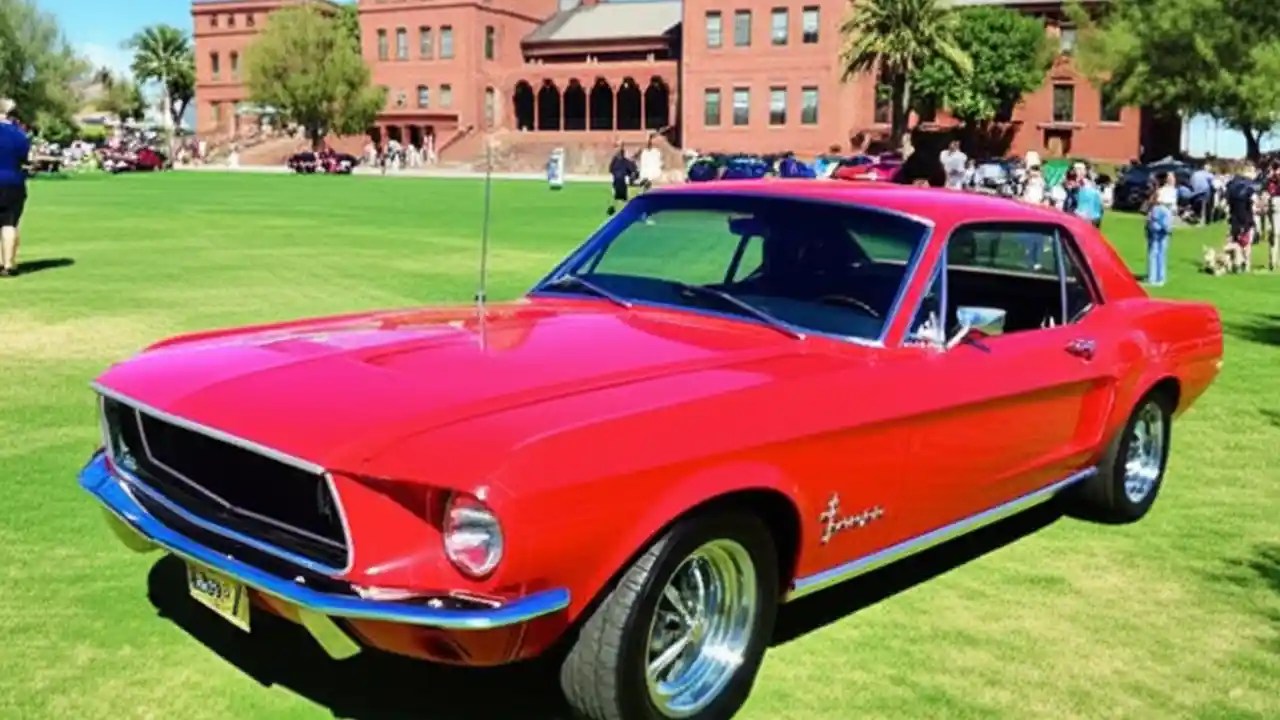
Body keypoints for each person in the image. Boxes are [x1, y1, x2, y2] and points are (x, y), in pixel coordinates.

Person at [0, 99, 32, 277]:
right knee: (9, 223)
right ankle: (8, 265)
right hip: (12, 181)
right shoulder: (20, 135)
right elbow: (24, 159)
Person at [1224, 169, 1258, 270]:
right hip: (1247, 217)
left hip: (1234, 217)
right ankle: (1246, 263)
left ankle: (1234, 262)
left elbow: (1227, 203)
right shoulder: (1249, 188)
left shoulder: (1231, 187)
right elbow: (1254, 202)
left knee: (1234, 240)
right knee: (1246, 242)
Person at [1143, 184, 1173, 286]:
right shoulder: (1165, 210)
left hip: (1156, 234)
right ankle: (1160, 278)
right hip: (1161, 234)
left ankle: (1153, 278)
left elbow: (1153, 222)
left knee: (1154, 255)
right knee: (1161, 255)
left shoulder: (1157, 209)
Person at [606, 142, 636, 216]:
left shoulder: (622, 161)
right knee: (620, 198)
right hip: (618, 182)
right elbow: (611, 169)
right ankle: (618, 210)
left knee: (620, 198)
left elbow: (611, 170)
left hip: (620, 182)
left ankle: (616, 210)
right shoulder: (617, 161)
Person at [1261, 163, 1280, 272]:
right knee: (1274, 235)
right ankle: (1272, 261)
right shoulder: (1269, 181)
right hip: (1273, 208)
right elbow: (1265, 192)